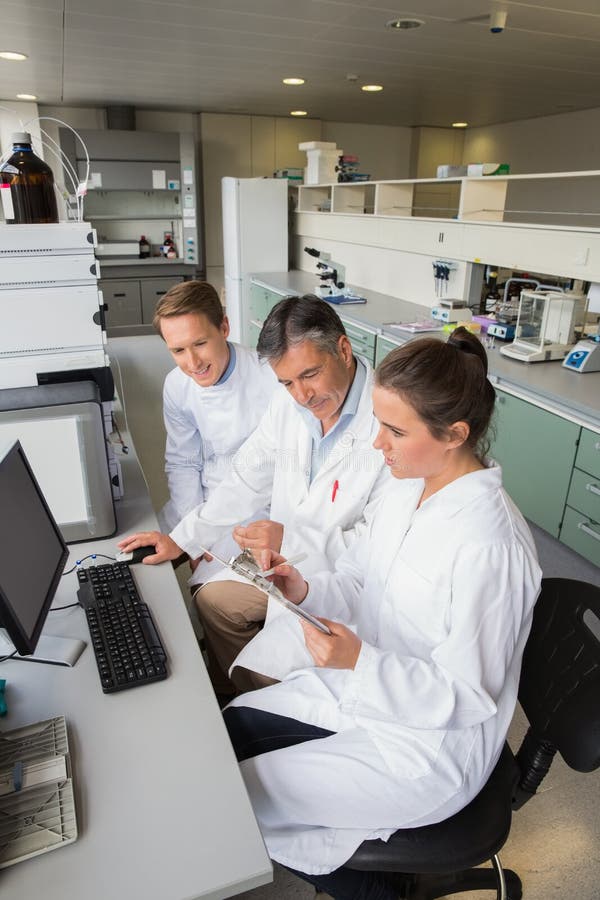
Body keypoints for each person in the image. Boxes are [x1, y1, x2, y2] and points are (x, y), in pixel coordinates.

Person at [221, 327, 542, 900]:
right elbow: (363, 581)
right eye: (378, 424)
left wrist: (360, 662)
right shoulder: (407, 488)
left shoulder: (490, 545)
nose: (378, 445)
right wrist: (304, 590)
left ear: (455, 434)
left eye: (394, 431)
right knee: (228, 730)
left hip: (428, 749)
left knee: (238, 796)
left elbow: (467, 695)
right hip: (369, 696)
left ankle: (373, 890)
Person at [118, 295, 390, 697]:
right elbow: (245, 479)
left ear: (344, 350)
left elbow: (381, 546)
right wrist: (181, 539)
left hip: (346, 586)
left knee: (293, 680)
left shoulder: (388, 421)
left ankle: (270, 704)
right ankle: (243, 700)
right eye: (286, 382)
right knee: (214, 602)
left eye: (310, 375)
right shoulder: (289, 402)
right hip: (288, 562)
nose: (301, 396)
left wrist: (292, 540)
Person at [153, 280, 276, 581]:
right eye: (178, 350)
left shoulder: (270, 377)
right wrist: (191, 526)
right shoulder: (176, 385)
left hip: (257, 507)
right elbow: (183, 461)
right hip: (200, 497)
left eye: (200, 344)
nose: (192, 363)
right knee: (141, 563)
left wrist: (198, 537)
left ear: (224, 327)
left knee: (210, 588)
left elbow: (263, 481)